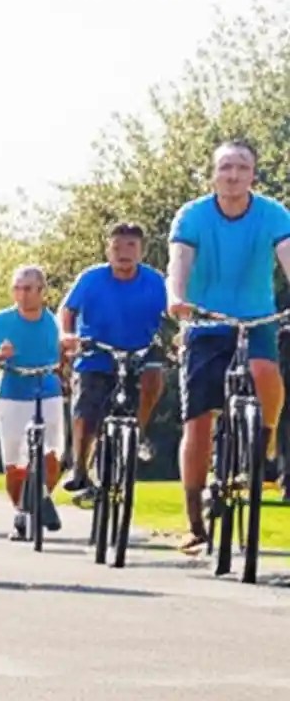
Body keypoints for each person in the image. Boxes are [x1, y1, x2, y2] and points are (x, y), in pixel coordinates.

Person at [166, 139, 290, 553]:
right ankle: (195, 521)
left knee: (265, 371)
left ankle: (266, 436)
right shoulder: (193, 215)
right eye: (226, 167)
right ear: (214, 173)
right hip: (205, 319)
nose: (233, 175)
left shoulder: (273, 214)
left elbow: (288, 255)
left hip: (257, 316)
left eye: (241, 167)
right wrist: (176, 297)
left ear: (254, 173)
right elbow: (179, 263)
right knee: (198, 420)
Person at [59, 222, 167, 507]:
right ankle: (80, 467)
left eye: (131, 246)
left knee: (154, 376)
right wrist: (67, 335)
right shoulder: (91, 278)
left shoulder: (155, 281)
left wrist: (179, 335)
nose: (124, 253)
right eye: (117, 246)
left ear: (142, 251)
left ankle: (139, 433)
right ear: (108, 250)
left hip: (140, 351)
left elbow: (172, 313)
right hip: (96, 352)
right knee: (86, 411)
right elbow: (67, 310)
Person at [0, 265, 65, 541]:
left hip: (47, 390)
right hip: (12, 393)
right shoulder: (0, 321)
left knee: (53, 454)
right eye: (17, 289)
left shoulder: (55, 323)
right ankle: (21, 513)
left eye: (28, 289)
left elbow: (63, 358)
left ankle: (43, 496)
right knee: (14, 464)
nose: (22, 295)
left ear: (42, 292)